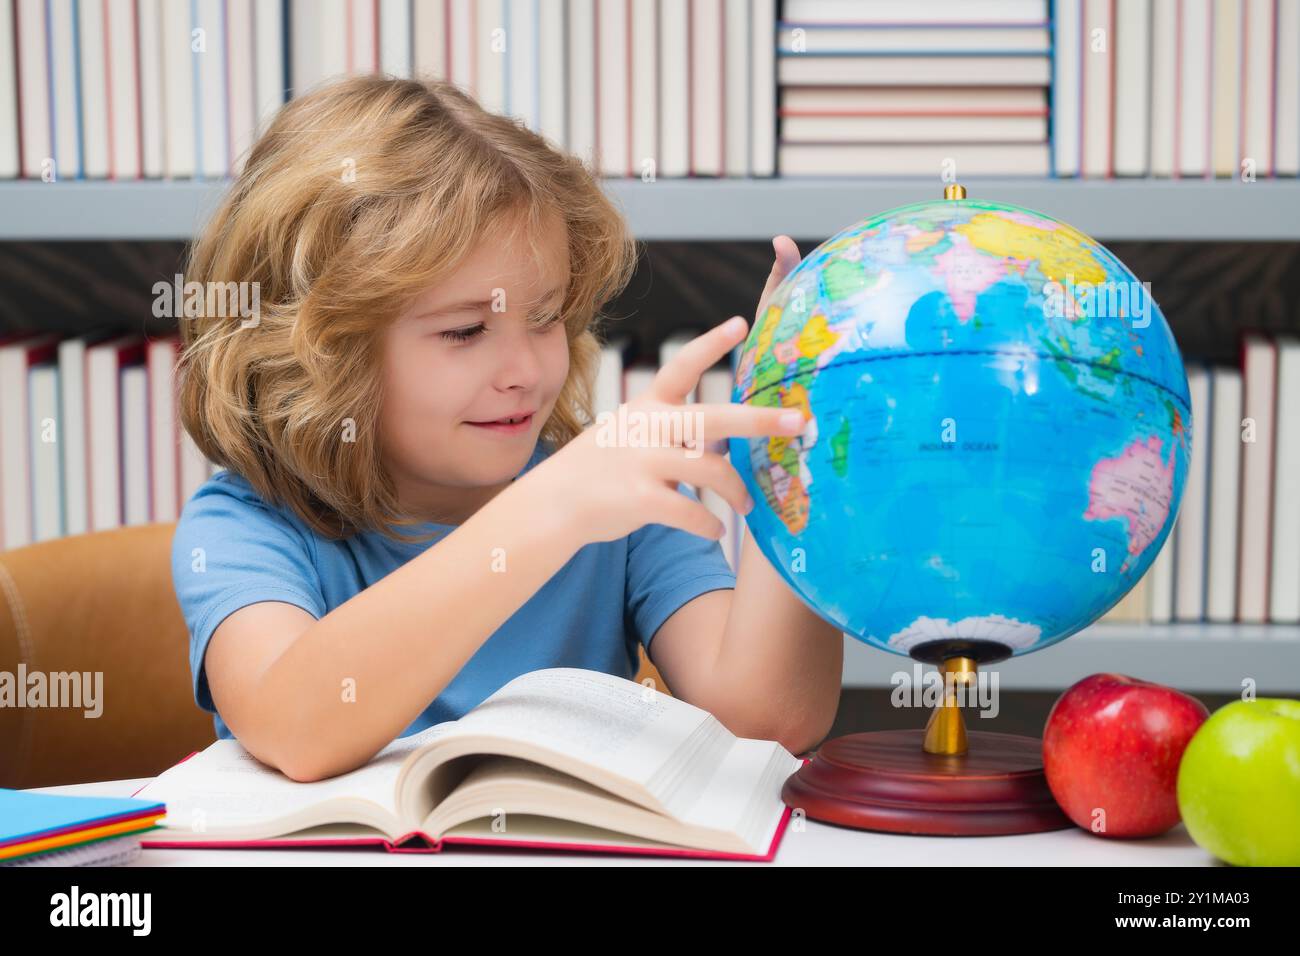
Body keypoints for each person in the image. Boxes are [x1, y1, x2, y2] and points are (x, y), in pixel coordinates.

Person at [172, 75, 842, 782]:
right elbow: (295, 725)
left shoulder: (619, 505)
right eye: (465, 331)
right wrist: (551, 508)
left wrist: (785, 443)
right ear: (317, 357)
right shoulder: (244, 527)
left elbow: (770, 720)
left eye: (546, 315)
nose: (524, 368)